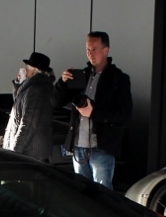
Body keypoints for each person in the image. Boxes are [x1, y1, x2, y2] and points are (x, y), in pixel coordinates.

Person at [56, 31, 132, 187]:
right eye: (87, 49)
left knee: (102, 195)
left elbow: (124, 115)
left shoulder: (119, 78)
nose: (90, 54)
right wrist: (63, 83)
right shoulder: (81, 76)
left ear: (106, 50)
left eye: (94, 49)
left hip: (101, 147)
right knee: (81, 194)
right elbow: (55, 102)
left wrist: (94, 113)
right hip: (78, 146)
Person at [3, 51, 55, 162]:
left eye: (27, 67)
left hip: (31, 151)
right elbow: (18, 103)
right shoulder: (33, 87)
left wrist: (15, 151)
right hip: (30, 150)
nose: (25, 69)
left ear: (33, 70)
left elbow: (28, 123)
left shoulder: (36, 90)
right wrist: (19, 82)